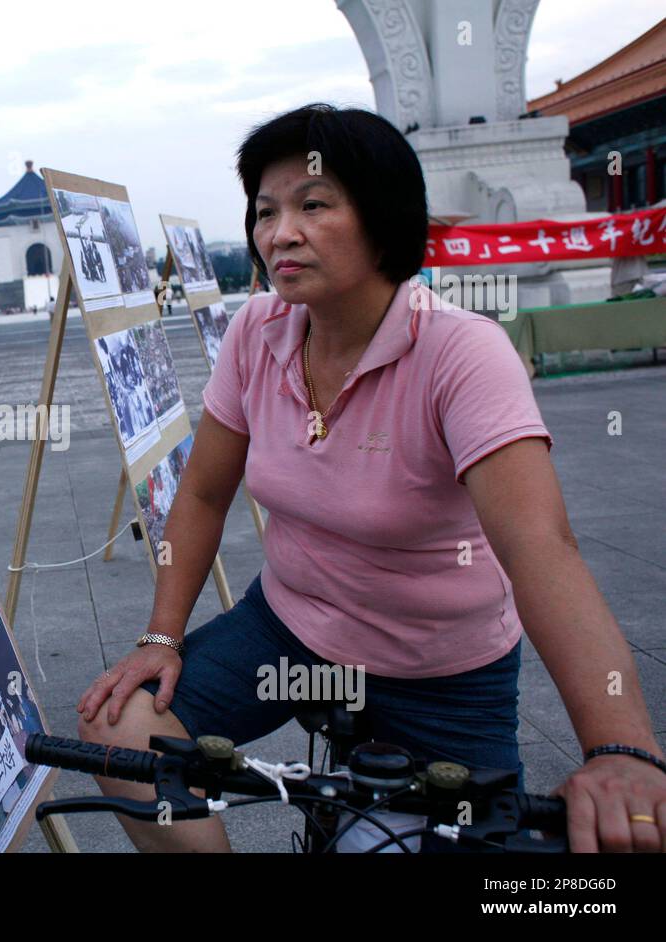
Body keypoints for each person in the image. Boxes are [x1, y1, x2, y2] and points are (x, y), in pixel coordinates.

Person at [75, 103, 666, 854]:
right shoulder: (257, 334)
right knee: (116, 728)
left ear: (383, 218)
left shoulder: (463, 356)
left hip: (440, 667)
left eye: (313, 205)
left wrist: (620, 748)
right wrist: (161, 635)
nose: (279, 232)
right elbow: (201, 492)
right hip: (289, 629)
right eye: (265, 211)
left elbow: (540, 549)